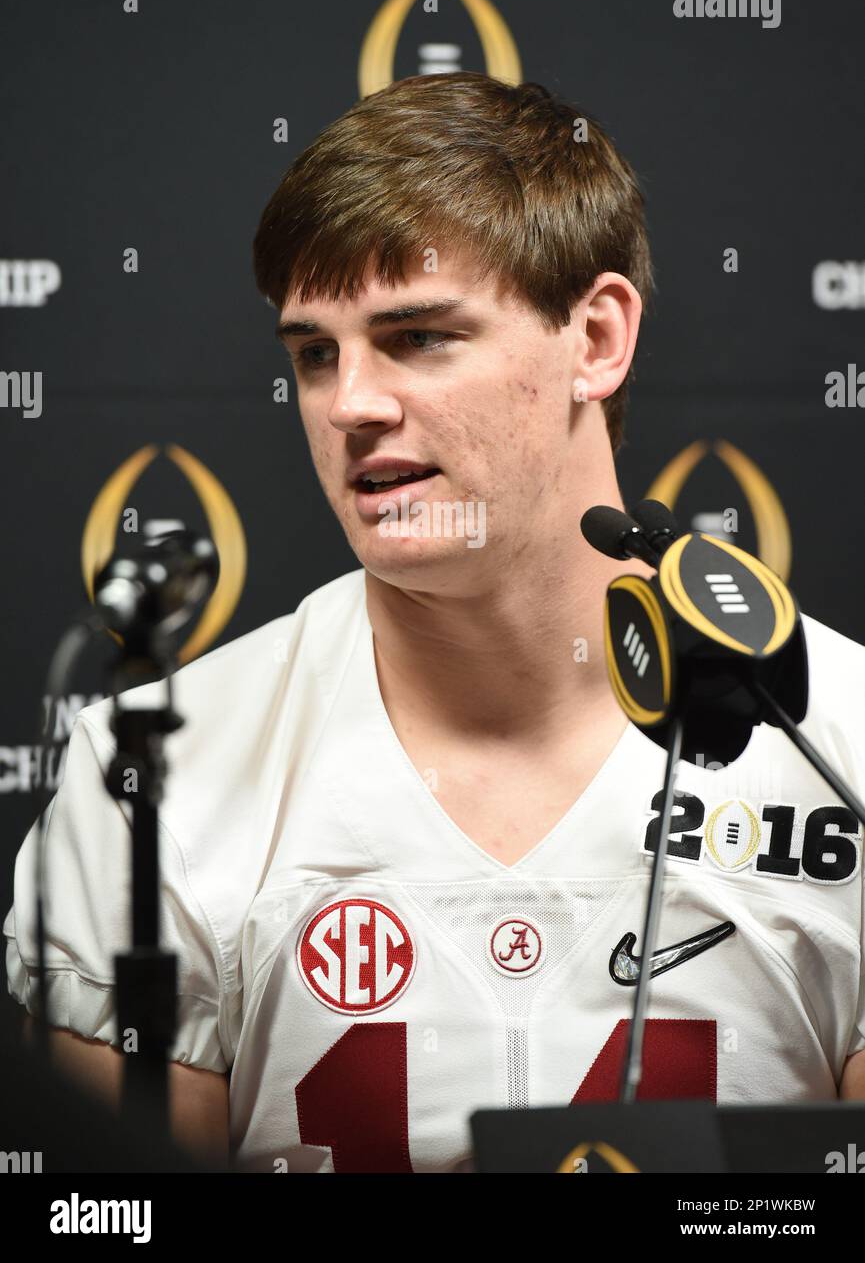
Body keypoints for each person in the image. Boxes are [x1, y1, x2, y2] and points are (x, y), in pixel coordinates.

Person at [5, 72, 865, 1174]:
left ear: (595, 338)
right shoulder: (148, 777)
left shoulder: (838, 746)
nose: (349, 402)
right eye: (314, 352)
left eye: (416, 337)